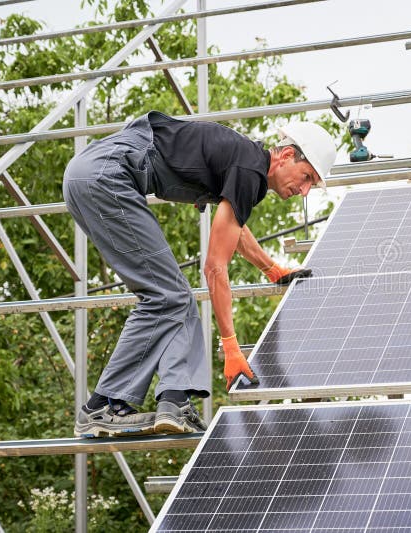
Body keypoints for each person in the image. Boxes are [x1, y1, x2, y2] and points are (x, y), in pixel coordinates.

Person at [62, 111, 336, 438]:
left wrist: (272, 269)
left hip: (86, 174)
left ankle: (174, 401)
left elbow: (234, 231)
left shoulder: (243, 163)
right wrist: (231, 347)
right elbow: (214, 267)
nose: (304, 191)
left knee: (174, 299)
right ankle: (105, 406)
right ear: (287, 156)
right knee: (169, 297)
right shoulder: (249, 168)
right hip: (109, 176)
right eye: (307, 178)